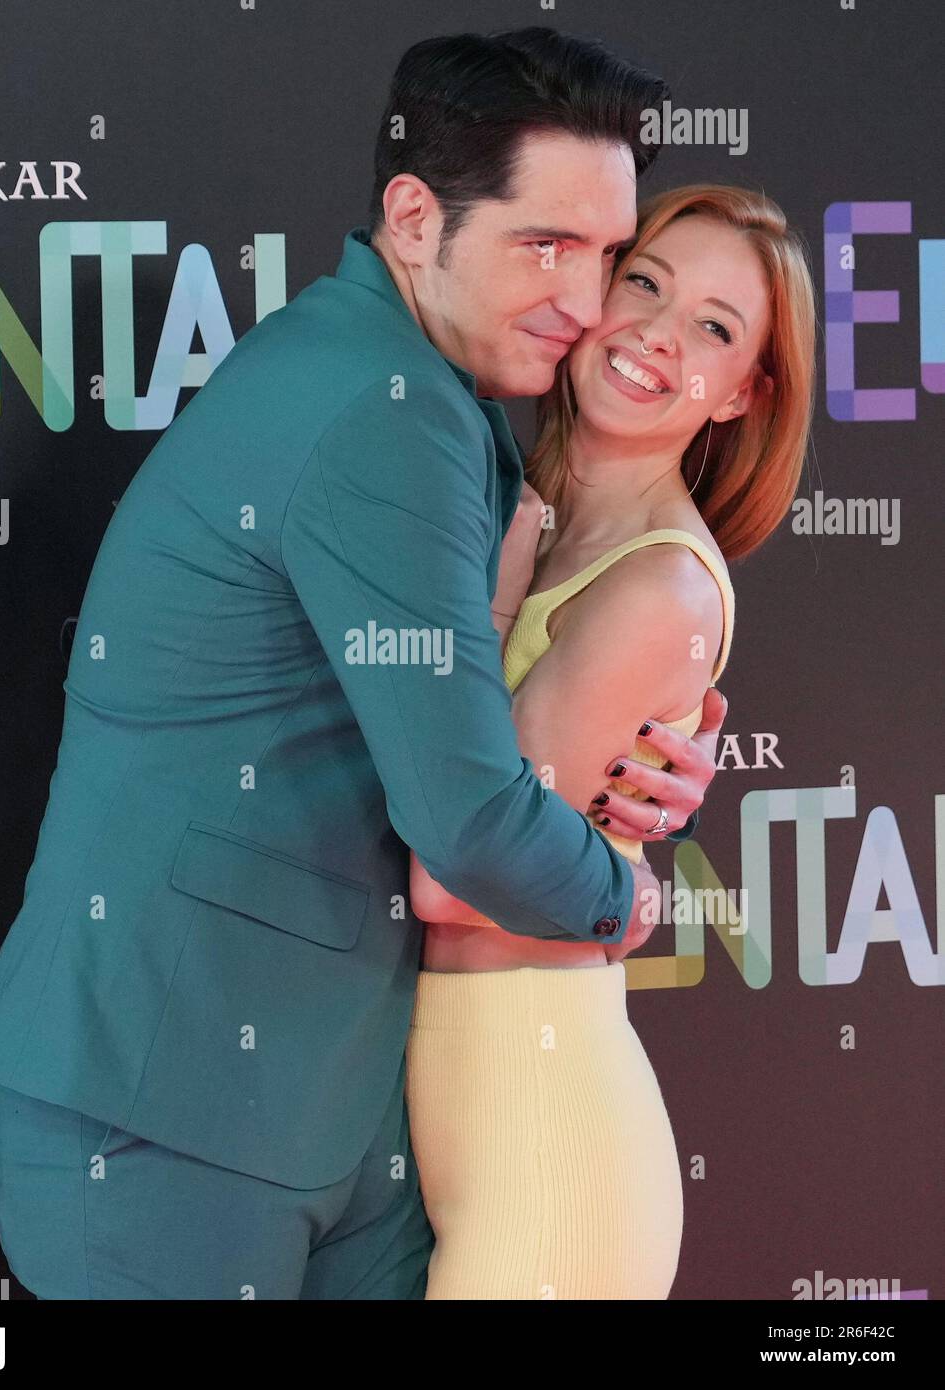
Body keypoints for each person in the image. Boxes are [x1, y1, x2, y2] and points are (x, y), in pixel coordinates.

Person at [0, 28, 727, 1299]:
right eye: (545, 245)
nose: (589, 306)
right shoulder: (383, 408)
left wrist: (612, 756)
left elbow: (470, 719)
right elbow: (471, 821)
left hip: (312, 1110)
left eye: (605, 254)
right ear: (415, 216)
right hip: (167, 1115)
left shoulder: (425, 386)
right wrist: (630, 895)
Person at [406, 183, 816, 1299]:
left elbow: (455, 877)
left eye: (713, 330)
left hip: (549, 1154)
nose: (654, 333)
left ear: (741, 394)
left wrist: (489, 612)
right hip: (447, 1124)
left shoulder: (661, 586)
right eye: (644, 282)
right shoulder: (508, 494)